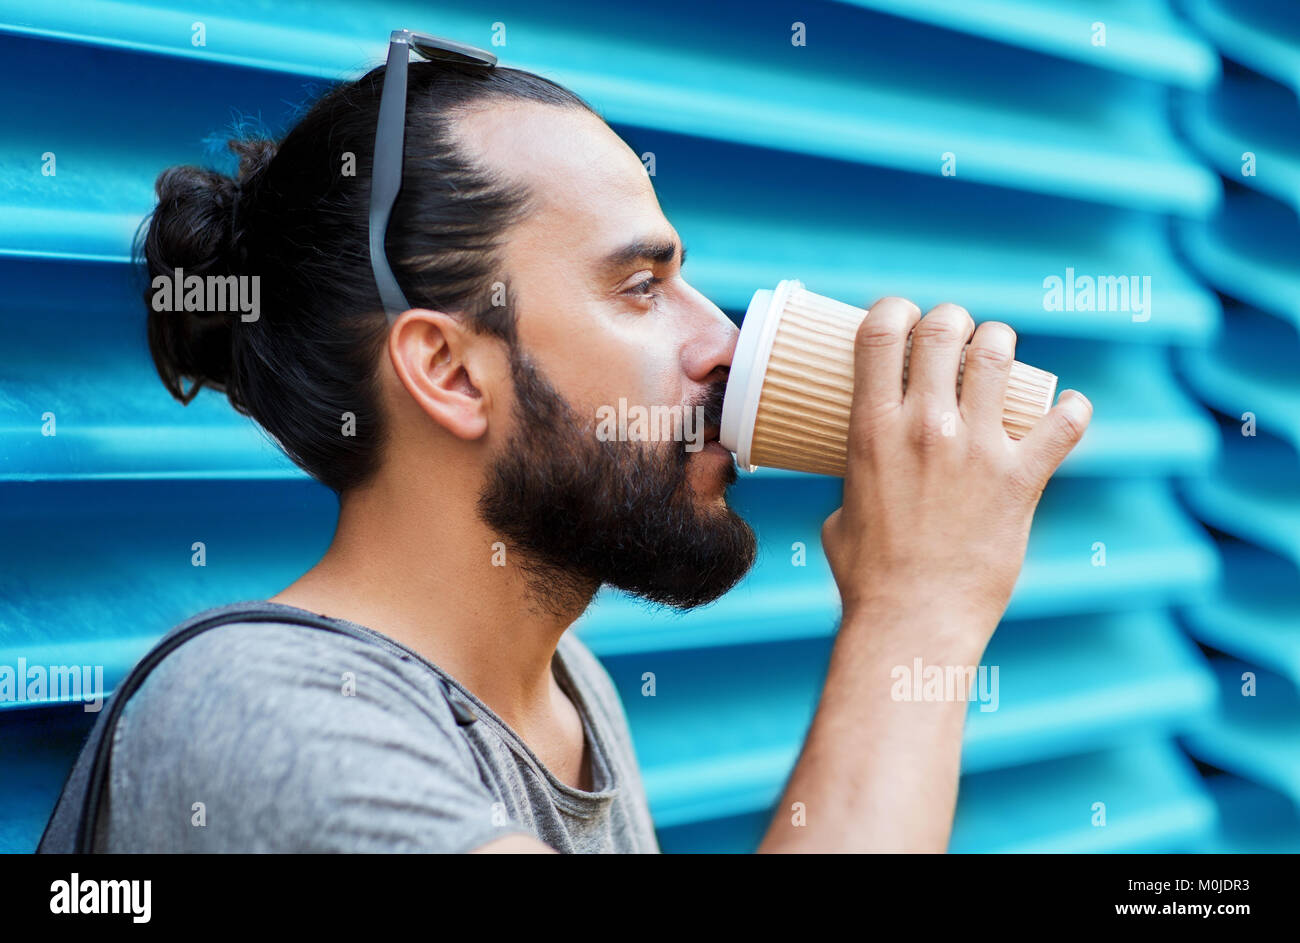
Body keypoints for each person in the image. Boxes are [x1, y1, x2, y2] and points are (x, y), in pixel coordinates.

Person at [99, 53, 1091, 853]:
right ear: (446, 369)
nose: (727, 343)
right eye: (640, 287)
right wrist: (918, 608)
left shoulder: (566, 689)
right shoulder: (264, 715)